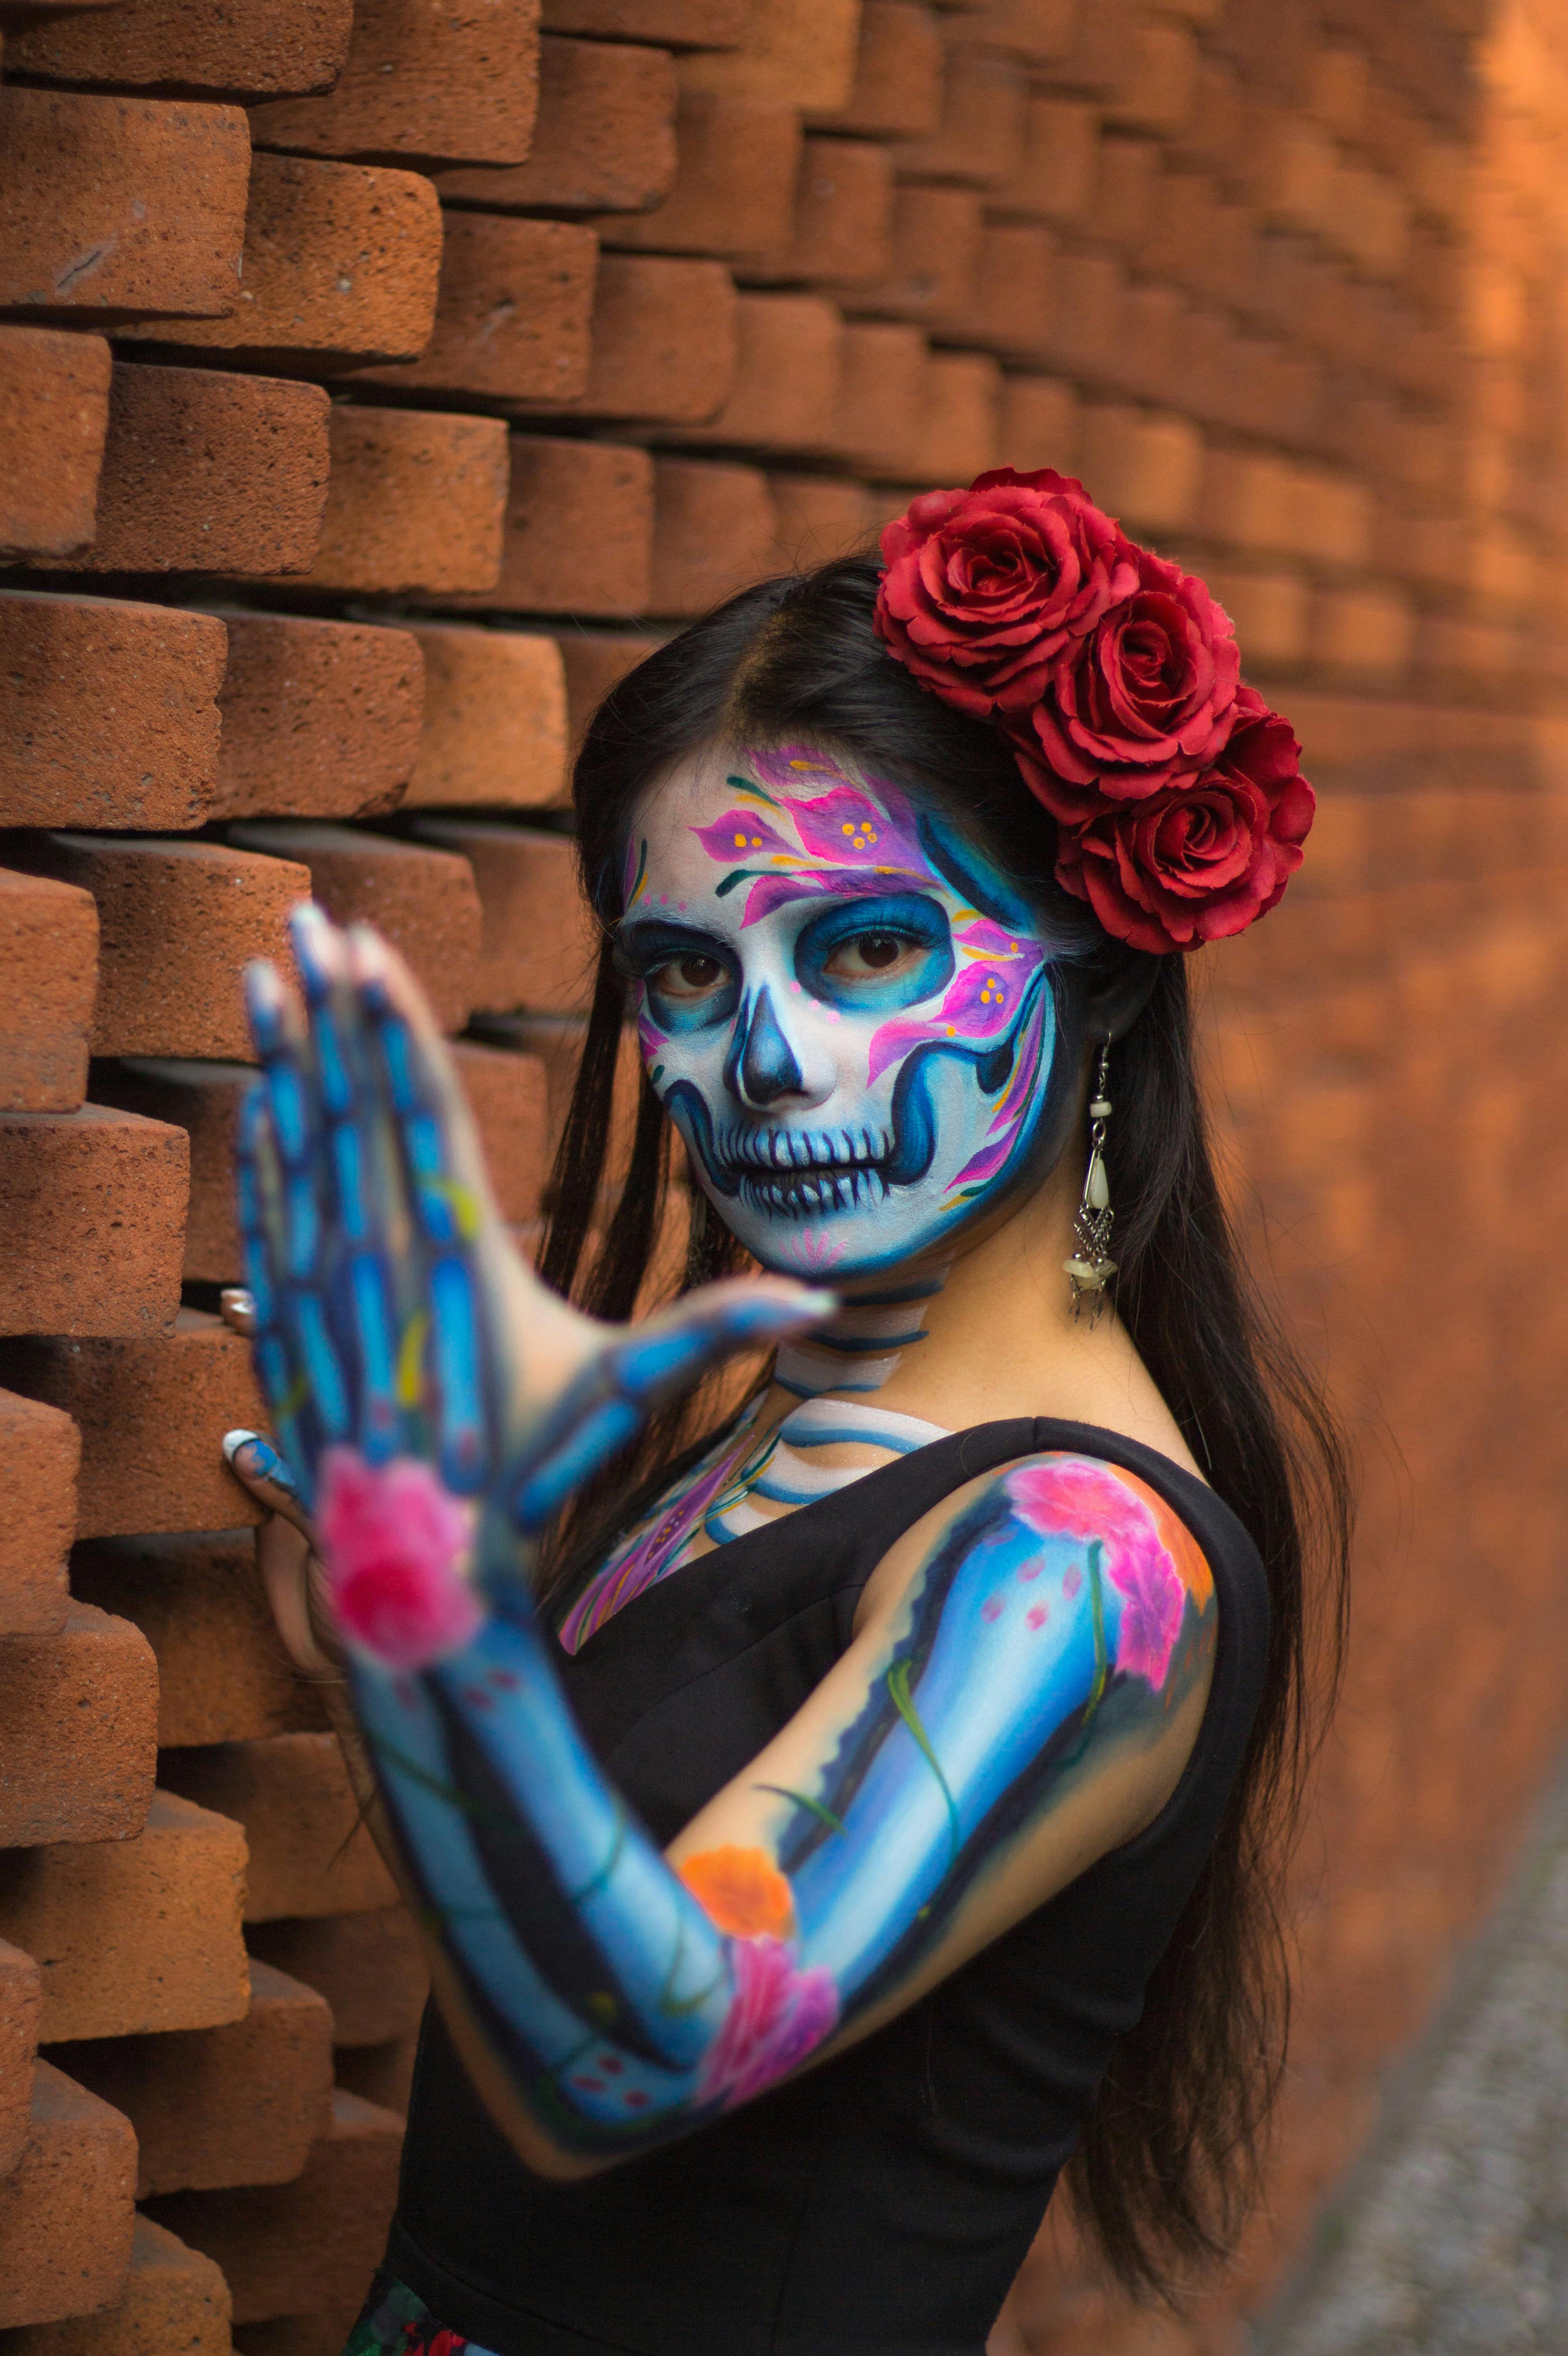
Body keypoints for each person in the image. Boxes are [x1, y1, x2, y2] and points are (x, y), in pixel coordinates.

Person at [222, 470, 1350, 2356]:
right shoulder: (794, 1422)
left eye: (867, 950)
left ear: (1105, 983)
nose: (761, 1058)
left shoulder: (1083, 1569)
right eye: (687, 972)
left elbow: (636, 2052)